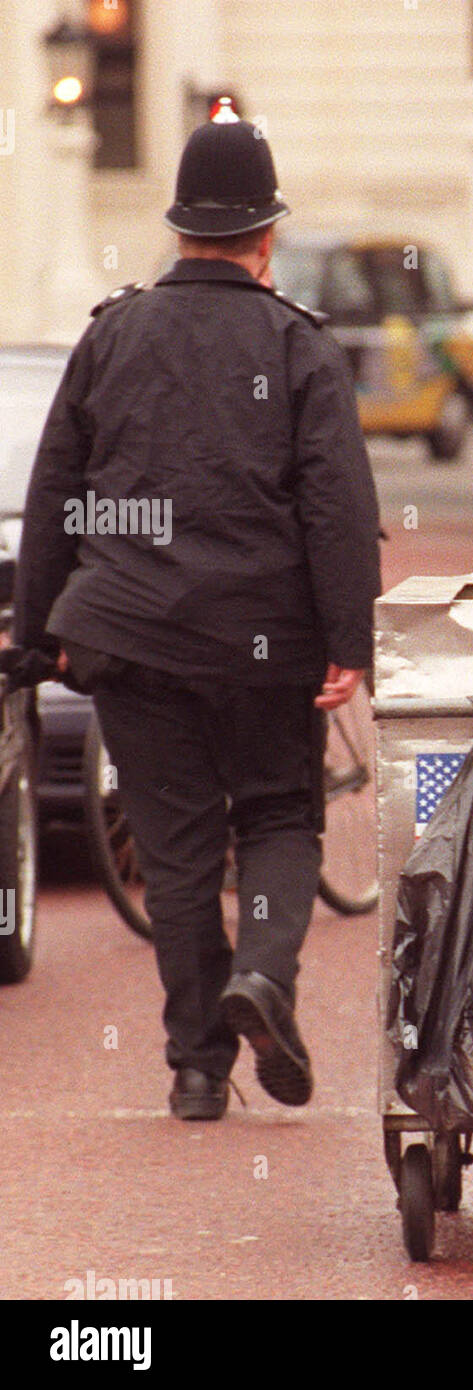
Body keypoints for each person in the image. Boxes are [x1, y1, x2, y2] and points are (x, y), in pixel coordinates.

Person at [6, 109, 382, 1120]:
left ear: (179, 229)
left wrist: (35, 632)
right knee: (275, 817)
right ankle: (261, 971)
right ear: (266, 237)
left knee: (175, 852)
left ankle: (197, 1067)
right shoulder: (299, 348)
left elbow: (57, 494)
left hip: (129, 636)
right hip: (265, 641)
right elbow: (338, 503)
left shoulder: (111, 333)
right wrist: (352, 639)